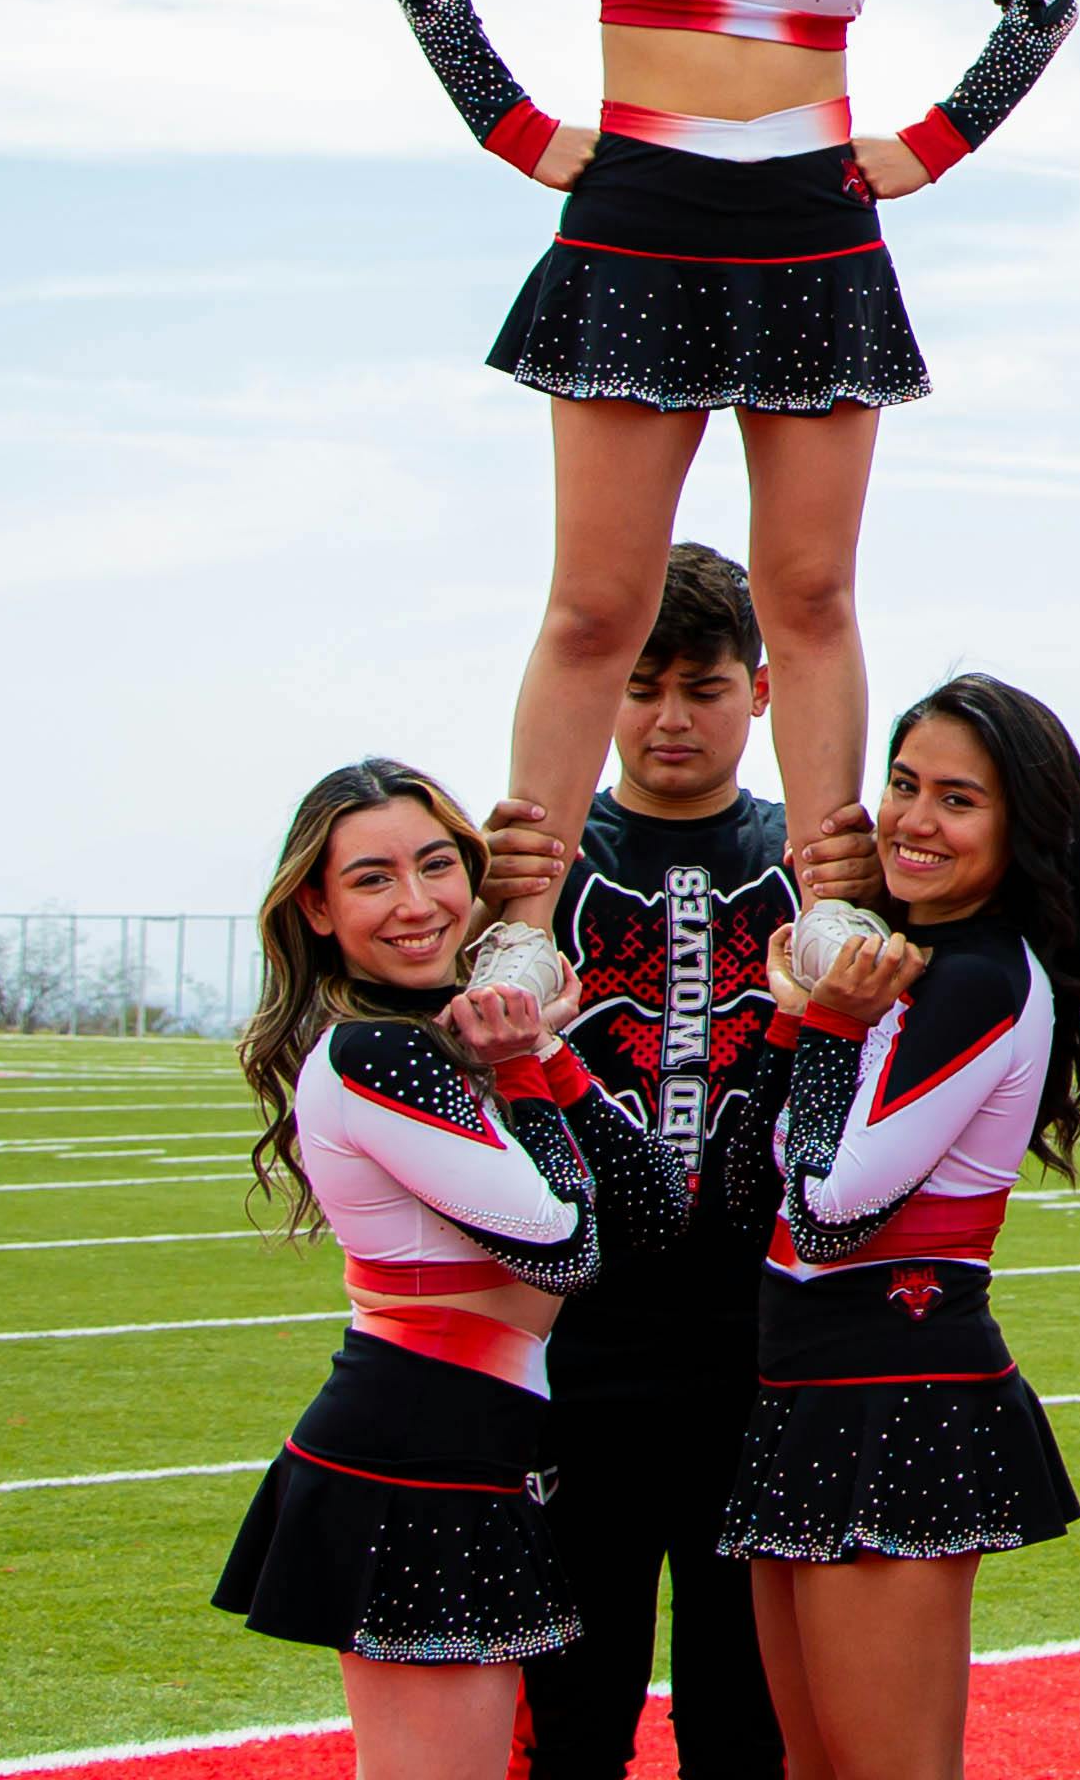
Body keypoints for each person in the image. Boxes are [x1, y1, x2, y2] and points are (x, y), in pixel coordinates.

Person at [388, 0, 1076, 915]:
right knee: (598, 606)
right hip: (636, 223)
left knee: (809, 600)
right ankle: (525, 924)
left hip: (812, 236)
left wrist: (934, 144)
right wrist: (516, 130)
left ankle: (832, 913)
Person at [215, 760, 688, 1775]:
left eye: (437, 866)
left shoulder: (443, 1042)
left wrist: (545, 1057)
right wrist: (522, 1065)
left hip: (466, 1447)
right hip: (414, 1457)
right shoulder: (377, 1052)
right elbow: (564, 1247)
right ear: (317, 908)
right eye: (373, 878)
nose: (417, 902)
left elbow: (657, 1209)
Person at [718, 676, 1080, 1780]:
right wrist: (799, 1019)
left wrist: (824, 1025)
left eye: (959, 799)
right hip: (810, 1391)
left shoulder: (981, 977)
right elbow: (747, 1184)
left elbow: (828, 1213)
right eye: (904, 785)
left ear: (1021, 827)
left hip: (897, 1399)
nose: (914, 819)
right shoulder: (907, 963)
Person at [521, 546, 803, 1780]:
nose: (670, 718)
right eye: (640, 688)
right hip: (576, 1344)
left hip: (758, 1350)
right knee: (572, 1716)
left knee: (742, 1725)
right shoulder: (534, 870)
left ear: (762, 689)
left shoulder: (811, 864)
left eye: (703, 686)